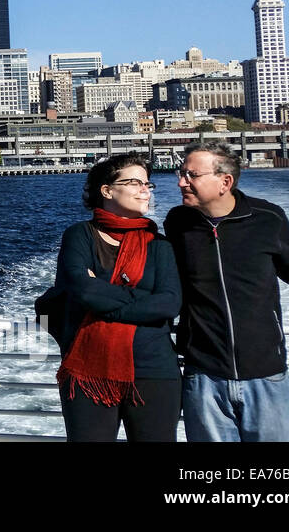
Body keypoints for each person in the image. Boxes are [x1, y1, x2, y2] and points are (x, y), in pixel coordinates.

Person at [164, 141, 289, 442]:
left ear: (225, 181)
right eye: (181, 173)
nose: (181, 181)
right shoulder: (177, 223)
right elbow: (167, 283)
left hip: (266, 374)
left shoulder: (267, 218)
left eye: (191, 175)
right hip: (204, 376)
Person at [52, 152, 182, 441]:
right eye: (135, 182)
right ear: (107, 190)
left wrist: (103, 301)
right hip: (89, 370)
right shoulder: (79, 235)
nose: (144, 190)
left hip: (154, 370)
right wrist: (139, 300)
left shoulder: (159, 245)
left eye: (148, 184)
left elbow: (169, 303)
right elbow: (84, 291)